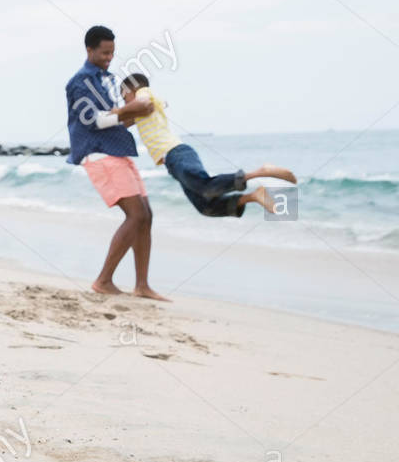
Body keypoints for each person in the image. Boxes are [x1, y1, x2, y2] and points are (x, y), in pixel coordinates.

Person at [64, 25, 168, 300]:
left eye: (112, 53)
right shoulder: (80, 82)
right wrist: (127, 110)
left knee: (146, 215)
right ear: (90, 50)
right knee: (136, 215)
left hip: (117, 150)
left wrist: (145, 111)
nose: (110, 57)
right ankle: (103, 280)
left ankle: (142, 286)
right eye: (105, 52)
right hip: (98, 153)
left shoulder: (106, 79)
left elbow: (118, 119)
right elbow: (94, 120)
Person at [121, 73, 296, 217]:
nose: (124, 103)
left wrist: (120, 111)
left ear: (134, 89)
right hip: (172, 162)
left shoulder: (144, 93)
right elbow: (123, 121)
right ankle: (254, 196)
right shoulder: (140, 110)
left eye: (124, 97)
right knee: (206, 207)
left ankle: (259, 172)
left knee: (205, 187)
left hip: (176, 153)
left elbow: (138, 104)